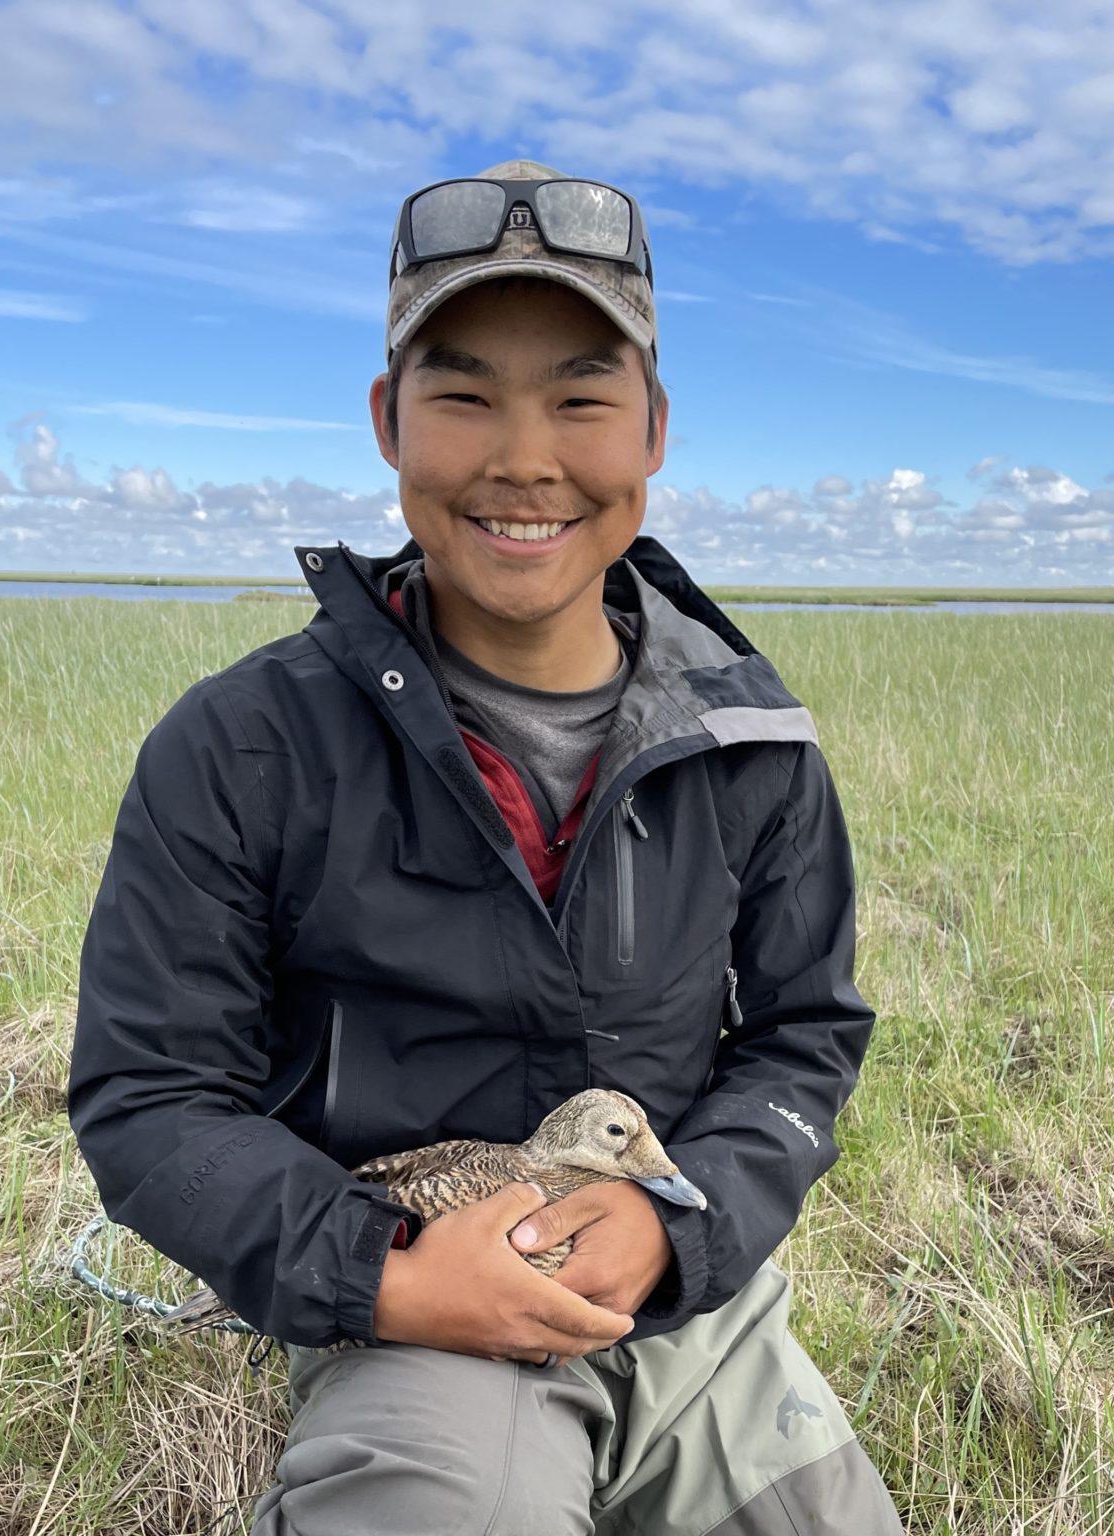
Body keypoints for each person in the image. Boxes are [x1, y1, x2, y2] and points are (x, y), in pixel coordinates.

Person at [68, 160, 905, 1534]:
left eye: (581, 396)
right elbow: (149, 1098)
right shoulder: (240, 747)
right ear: (391, 421)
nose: (525, 458)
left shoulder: (754, 741)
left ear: (652, 431)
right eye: (463, 395)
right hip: (422, 1317)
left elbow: (804, 1038)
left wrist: (675, 1227)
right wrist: (387, 1277)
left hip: (690, 1309)